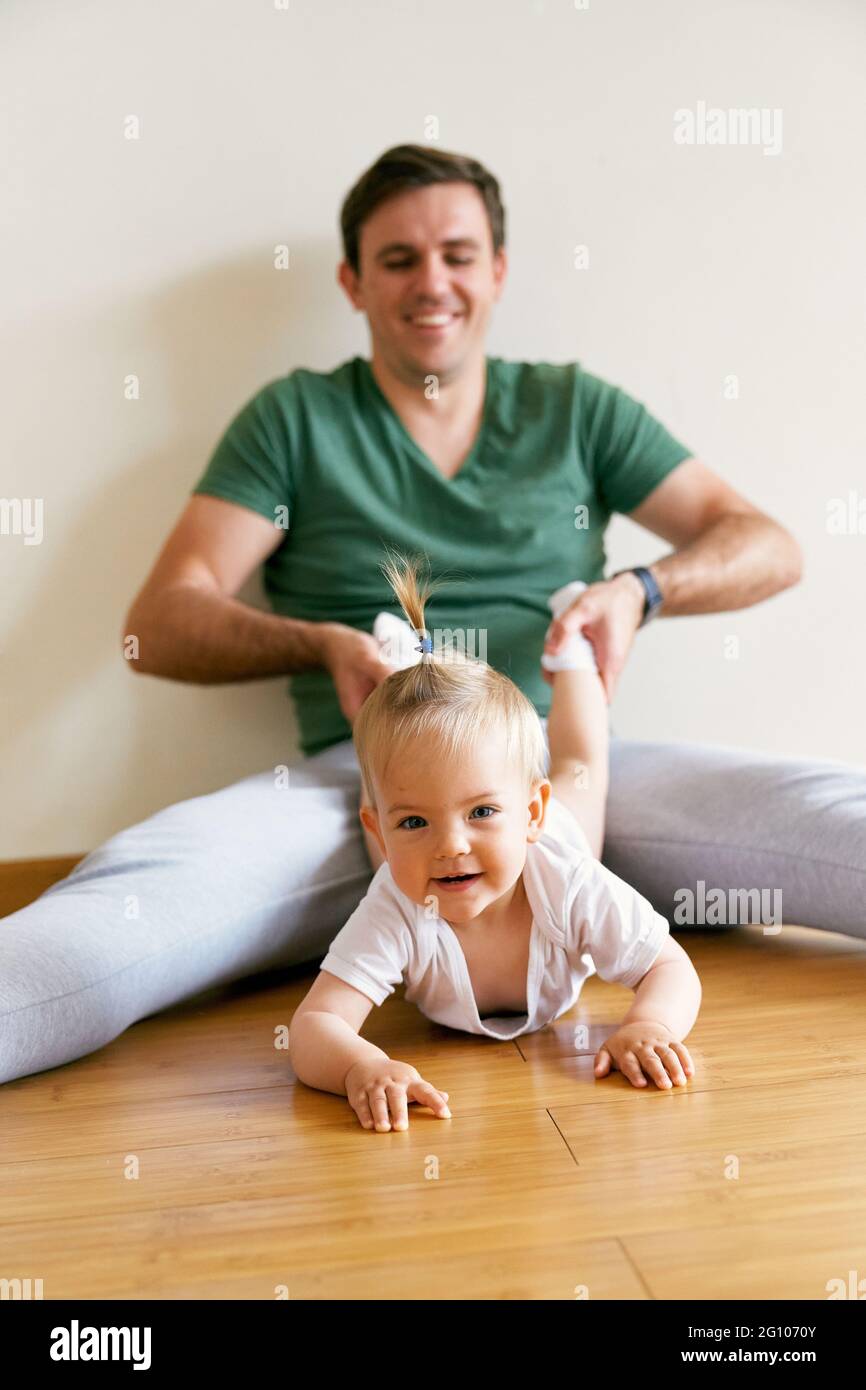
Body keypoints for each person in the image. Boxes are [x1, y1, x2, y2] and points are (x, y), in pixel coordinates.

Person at [1, 144, 862, 1090]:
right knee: (135, 904)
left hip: (559, 764)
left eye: (458, 253)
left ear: (497, 270)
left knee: (826, 816)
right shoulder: (296, 419)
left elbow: (768, 542)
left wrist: (638, 591)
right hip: (366, 783)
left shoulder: (575, 408)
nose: (432, 281)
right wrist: (320, 644)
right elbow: (159, 622)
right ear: (352, 282)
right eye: (398, 259)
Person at [289, 548, 701, 1133]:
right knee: (400, 787)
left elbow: (670, 968)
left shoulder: (567, 878)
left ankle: (572, 649)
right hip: (419, 864)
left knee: (583, 763)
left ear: (531, 812)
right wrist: (363, 1066)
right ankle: (403, 668)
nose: (452, 844)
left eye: (481, 811)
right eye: (412, 822)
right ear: (377, 828)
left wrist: (650, 1025)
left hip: (547, 844)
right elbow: (314, 1027)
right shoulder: (398, 902)